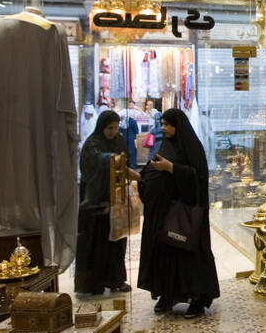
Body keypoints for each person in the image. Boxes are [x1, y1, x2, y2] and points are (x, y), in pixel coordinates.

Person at [137, 108, 220, 318]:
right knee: (167, 255)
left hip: (187, 214)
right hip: (166, 214)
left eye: (168, 124)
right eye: (162, 124)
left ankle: (197, 299)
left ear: (178, 125)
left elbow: (197, 177)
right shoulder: (165, 145)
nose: (164, 128)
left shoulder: (192, 148)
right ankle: (168, 295)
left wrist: (171, 168)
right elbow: (154, 172)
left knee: (190, 256)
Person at [75, 111, 137, 296]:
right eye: (109, 128)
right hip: (96, 204)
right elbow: (93, 163)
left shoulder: (119, 140)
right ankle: (94, 284)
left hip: (115, 201)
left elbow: (127, 161)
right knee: (97, 244)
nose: (112, 131)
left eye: (115, 128)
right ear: (102, 127)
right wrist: (112, 159)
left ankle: (116, 280)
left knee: (116, 243)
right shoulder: (92, 143)